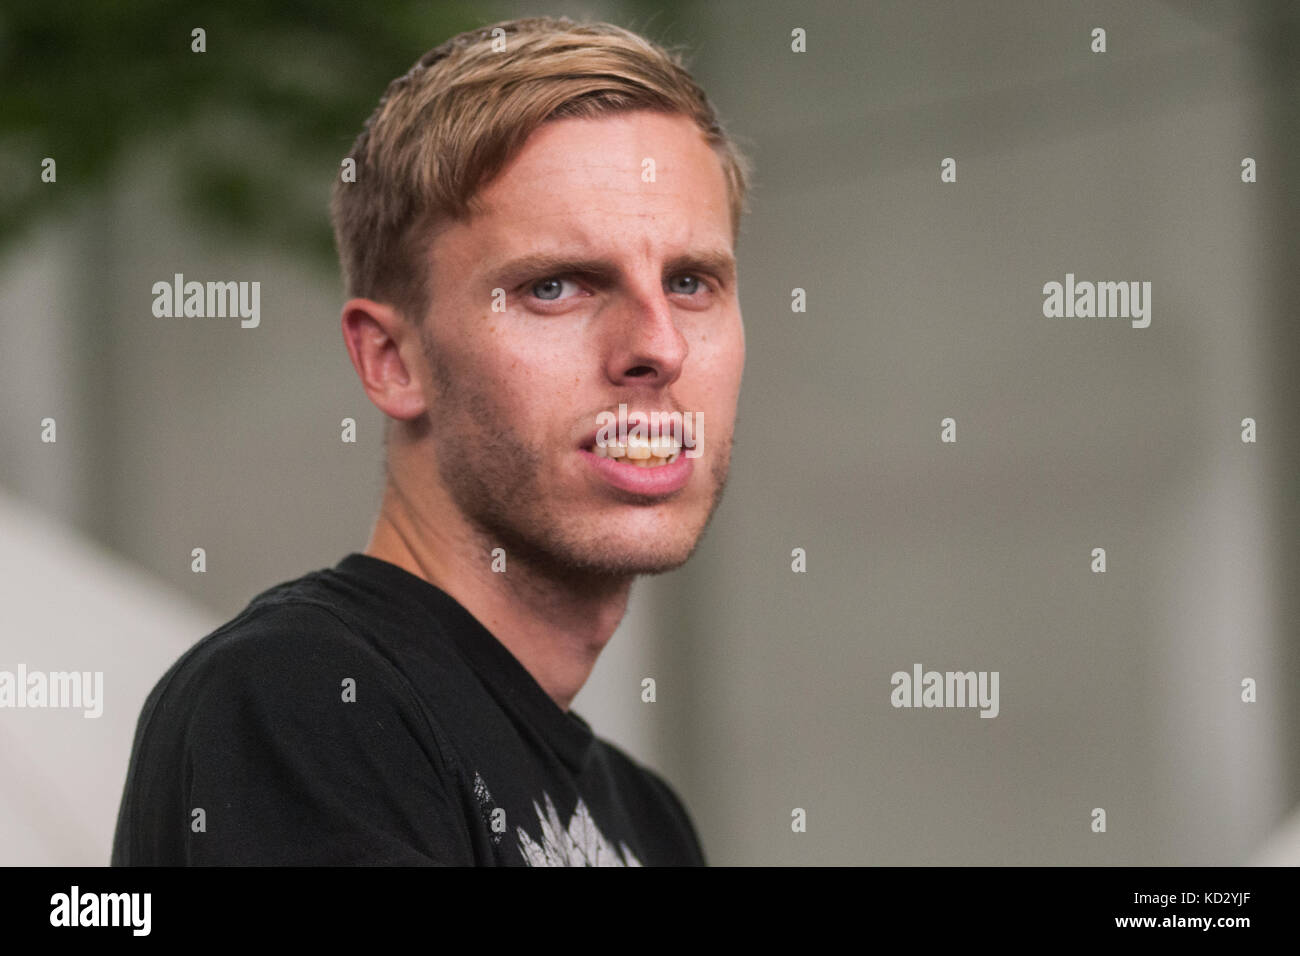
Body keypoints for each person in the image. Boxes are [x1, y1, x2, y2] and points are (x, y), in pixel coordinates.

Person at [111, 14, 752, 866]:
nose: (658, 346)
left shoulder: (647, 817)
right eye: (554, 286)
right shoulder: (303, 699)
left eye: (689, 281)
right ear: (391, 360)